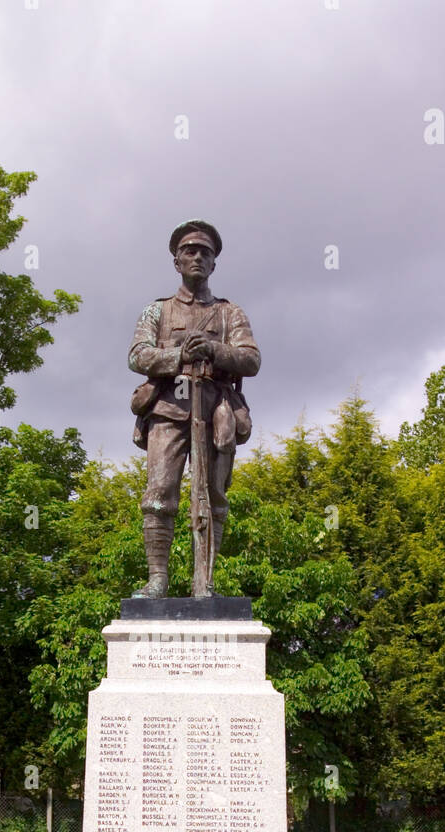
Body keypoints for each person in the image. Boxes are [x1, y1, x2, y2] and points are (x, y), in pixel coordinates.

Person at [128, 220, 261, 597]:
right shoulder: (158, 311)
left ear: (214, 264)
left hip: (216, 409)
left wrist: (216, 351)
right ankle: (158, 579)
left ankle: (206, 583)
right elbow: (137, 355)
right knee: (158, 493)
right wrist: (177, 356)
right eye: (190, 250)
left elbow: (251, 360)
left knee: (214, 497)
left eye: (206, 252)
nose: (198, 256)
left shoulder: (229, 314)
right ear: (176, 261)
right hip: (169, 408)